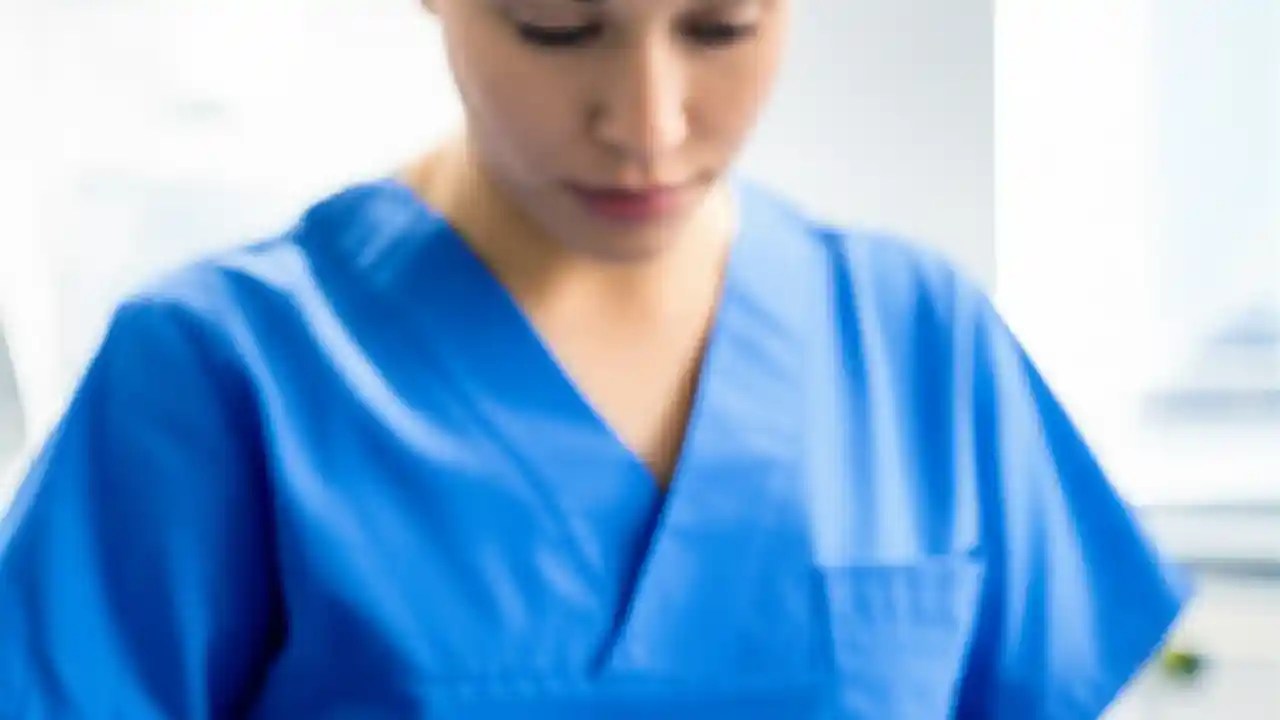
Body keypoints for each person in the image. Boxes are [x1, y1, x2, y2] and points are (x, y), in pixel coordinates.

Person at [0, 1, 1189, 717]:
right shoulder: (222, 376)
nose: (647, 121)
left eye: (719, 24)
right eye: (557, 26)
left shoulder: (916, 345)